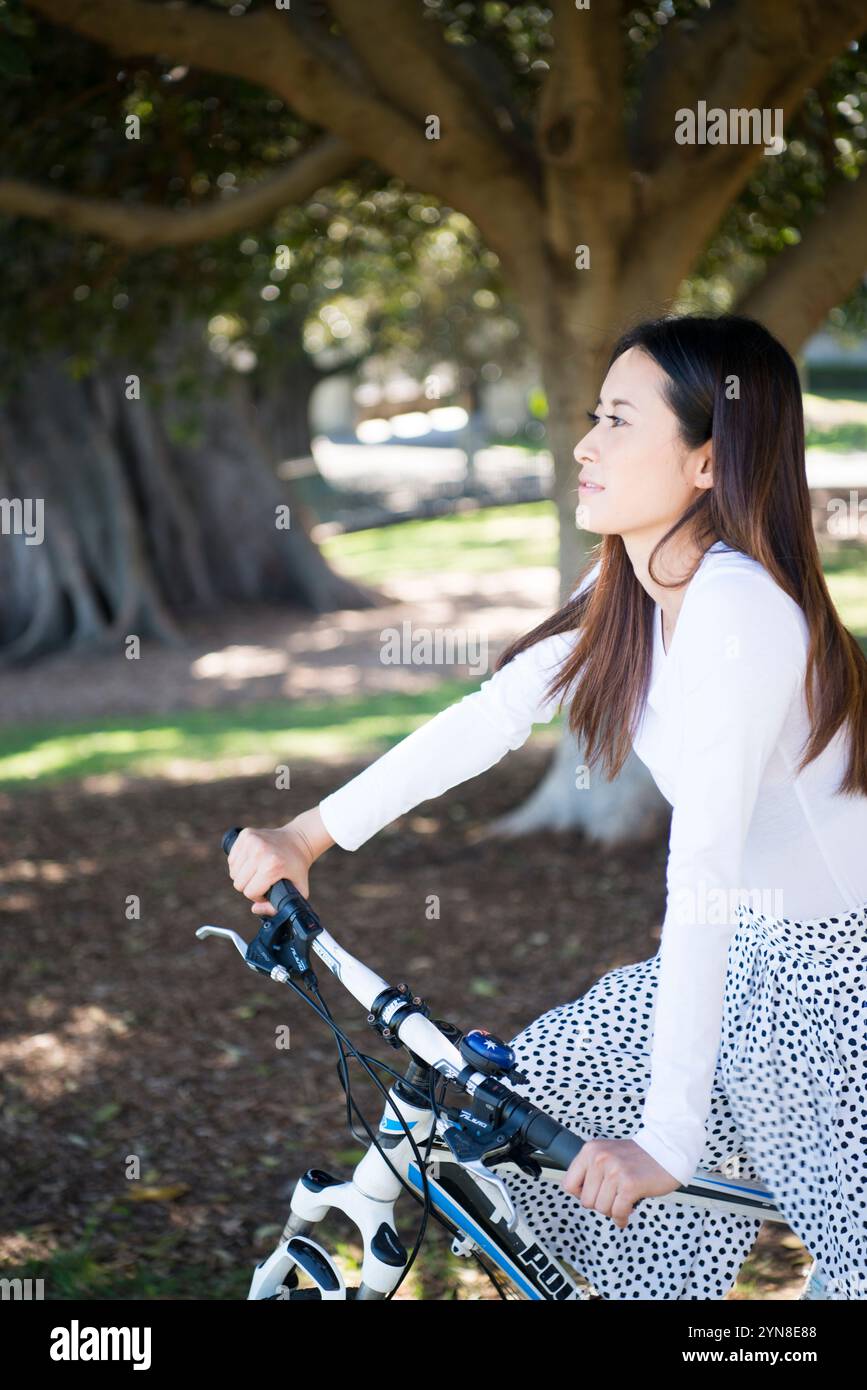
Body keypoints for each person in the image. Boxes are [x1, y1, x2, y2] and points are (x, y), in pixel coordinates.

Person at [226, 312, 867, 1300]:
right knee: (512, 1104)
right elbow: (493, 716)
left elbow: (701, 870)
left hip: (834, 988)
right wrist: (307, 834)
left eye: (618, 419)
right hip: (748, 956)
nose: (583, 442)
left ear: (707, 460)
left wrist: (664, 1139)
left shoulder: (741, 611)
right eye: (592, 414)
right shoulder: (635, 583)